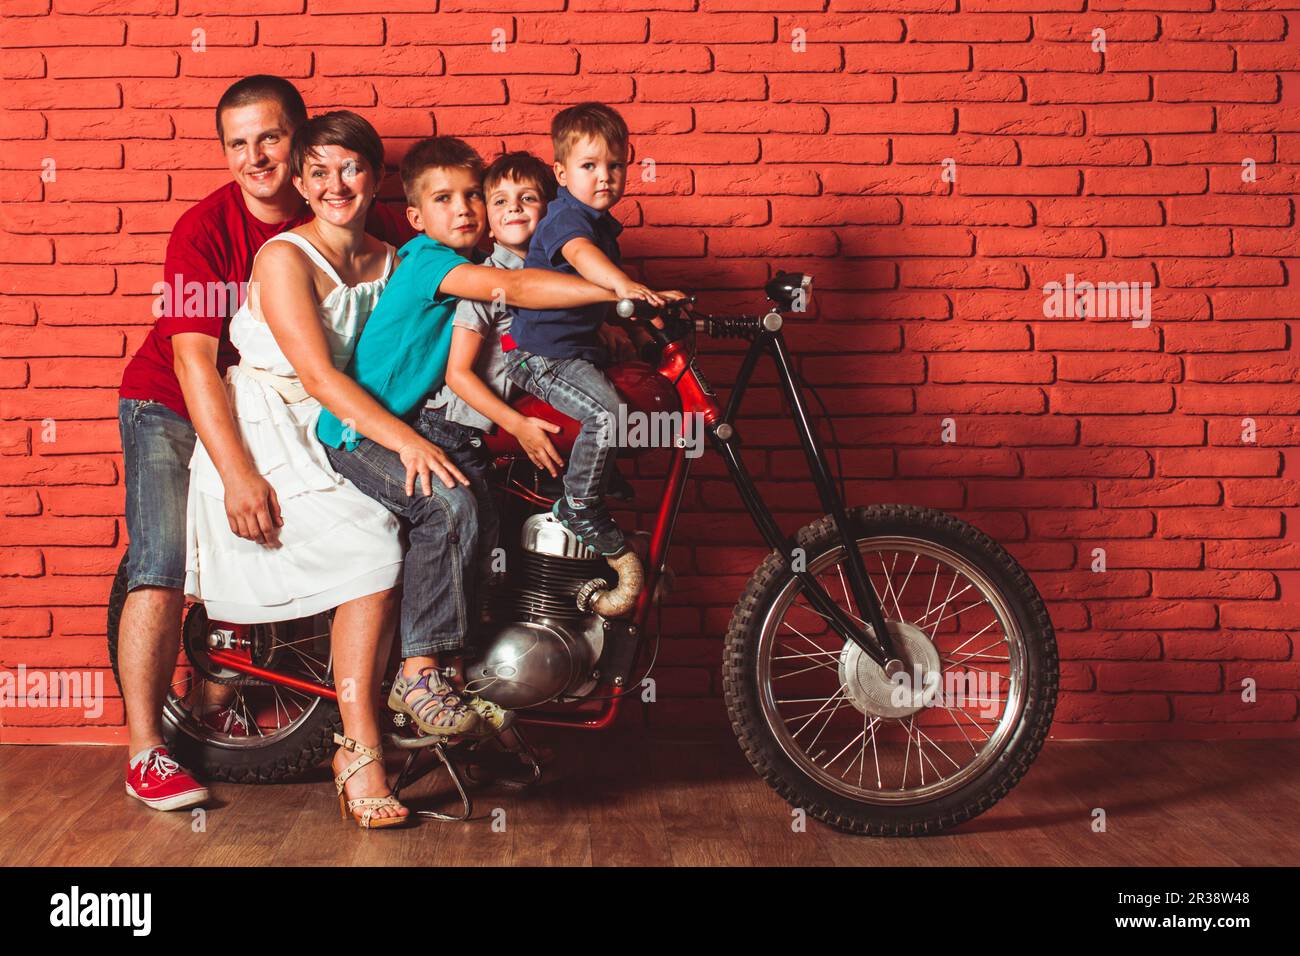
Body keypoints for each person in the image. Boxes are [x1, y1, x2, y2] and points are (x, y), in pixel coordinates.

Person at [116, 75, 413, 813]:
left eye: (271, 138)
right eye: (238, 143)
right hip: (173, 397)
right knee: (162, 559)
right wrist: (238, 473)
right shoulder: (205, 228)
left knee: (354, 532)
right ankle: (146, 750)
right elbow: (193, 361)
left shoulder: (354, 219)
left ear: (303, 140)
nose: (255, 157)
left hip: (280, 407)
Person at [317, 136, 665, 739]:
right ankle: (418, 670)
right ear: (417, 217)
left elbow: (535, 314)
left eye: (472, 196)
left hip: (418, 426)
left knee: (484, 526)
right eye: (444, 198)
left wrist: (610, 330)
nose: (465, 209)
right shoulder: (430, 260)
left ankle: (466, 683)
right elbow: (524, 294)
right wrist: (621, 292)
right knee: (447, 508)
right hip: (361, 428)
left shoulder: (482, 262)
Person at [506, 102, 682, 565]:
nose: (604, 176)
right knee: (609, 415)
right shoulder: (569, 219)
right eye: (589, 166)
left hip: (575, 353)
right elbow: (583, 257)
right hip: (541, 358)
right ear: (562, 173)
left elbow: (600, 289)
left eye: (615, 165)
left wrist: (651, 310)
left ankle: (597, 473)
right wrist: (624, 284)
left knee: (635, 388)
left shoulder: (603, 227)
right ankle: (580, 505)